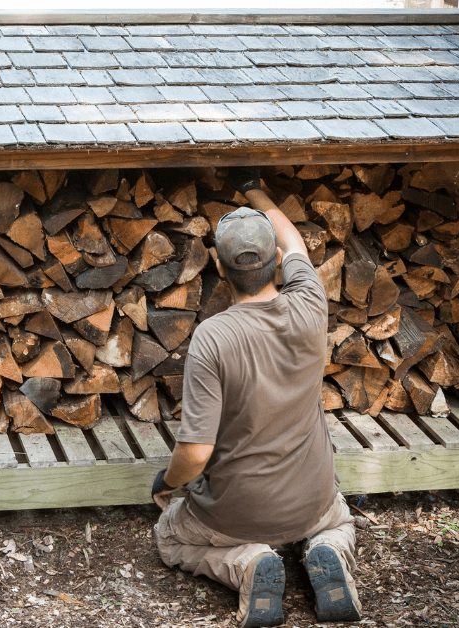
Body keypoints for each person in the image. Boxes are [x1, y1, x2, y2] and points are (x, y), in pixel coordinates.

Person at [150, 167, 361, 628]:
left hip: (235, 513)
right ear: (277, 264)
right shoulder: (310, 303)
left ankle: (247, 563)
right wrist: (252, 190)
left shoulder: (214, 336)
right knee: (340, 522)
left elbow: (196, 452)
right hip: (313, 501)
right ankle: (327, 550)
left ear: (221, 269)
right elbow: (293, 242)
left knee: (168, 538)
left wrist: (168, 483)